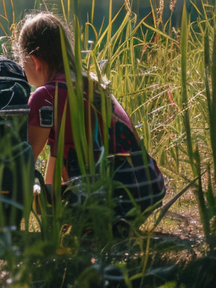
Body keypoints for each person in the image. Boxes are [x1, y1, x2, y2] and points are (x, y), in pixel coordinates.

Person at [14, 11, 164, 219]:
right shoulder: (93, 84)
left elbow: (26, 160)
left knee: (23, 189)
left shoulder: (45, 95)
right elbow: (57, 157)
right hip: (145, 188)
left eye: (23, 62)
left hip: (108, 196)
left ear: (35, 61)